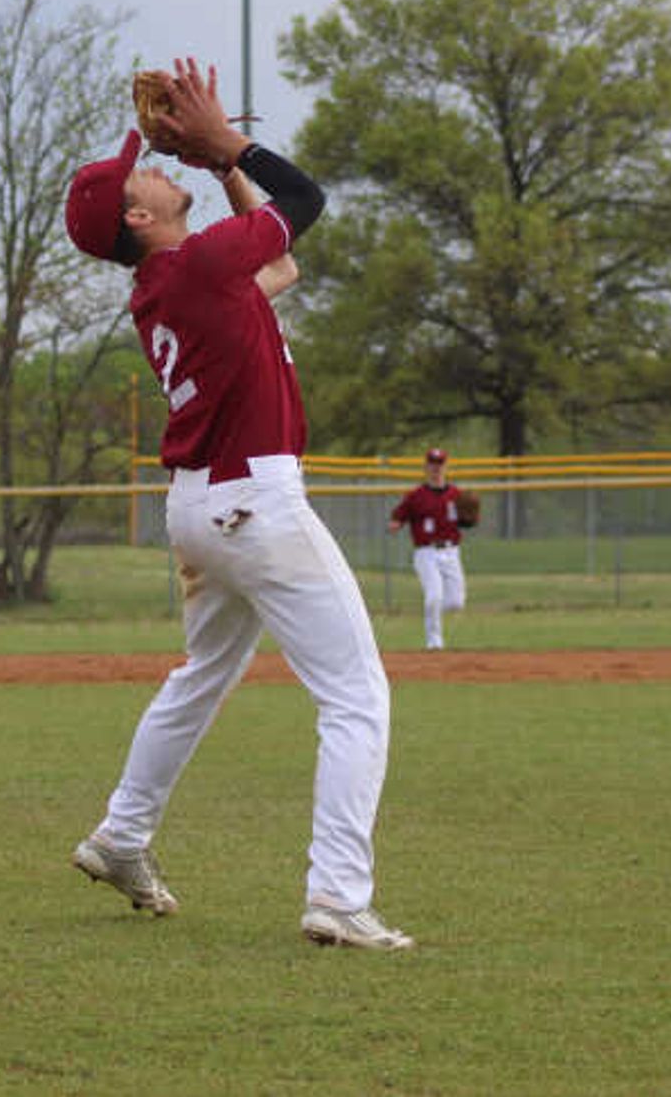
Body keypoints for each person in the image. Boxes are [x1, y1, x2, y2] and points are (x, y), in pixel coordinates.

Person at [63, 57, 412, 952]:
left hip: (199, 508)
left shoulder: (173, 285)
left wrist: (221, 170)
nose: (151, 162)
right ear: (139, 219)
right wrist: (230, 142)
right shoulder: (202, 268)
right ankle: (337, 895)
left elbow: (281, 259)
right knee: (357, 695)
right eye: (140, 172)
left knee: (202, 677)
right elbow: (307, 199)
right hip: (255, 502)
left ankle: (120, 837)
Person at [388, 447, 468, 651]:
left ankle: (431, 612)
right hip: (426, 553)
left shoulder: (456, 494)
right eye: (432, 463)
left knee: (456, 602)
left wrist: (470, 520)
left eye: (439, 463)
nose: (436, 468)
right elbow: (398, 517)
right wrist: (396, 524)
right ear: (426, 467)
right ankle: (434, 642)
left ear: (445, 466)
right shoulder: (416, 496)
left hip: (451, 551)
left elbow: (466, 521)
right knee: (434, 596)